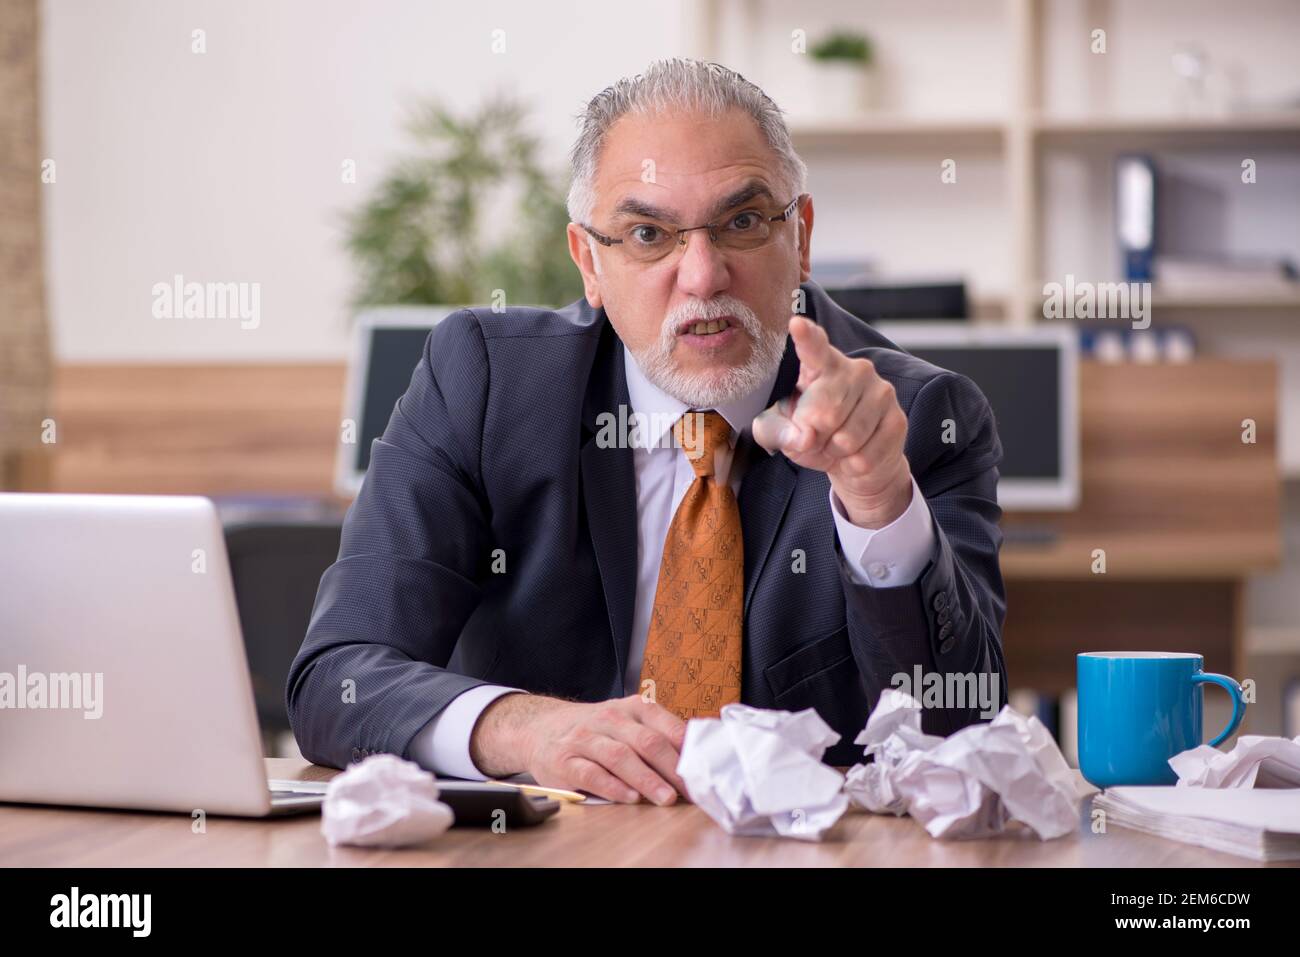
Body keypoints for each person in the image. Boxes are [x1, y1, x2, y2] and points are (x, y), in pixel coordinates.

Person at [287, 58, 1006, 806]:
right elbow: (337, 677)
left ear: (801, 237)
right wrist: (525, 730)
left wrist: (880, 497)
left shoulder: (914, 418)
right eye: (647, 233)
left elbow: (963, 731)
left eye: (743, 221)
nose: (702, 276)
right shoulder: (485, 385)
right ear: (588, 262)